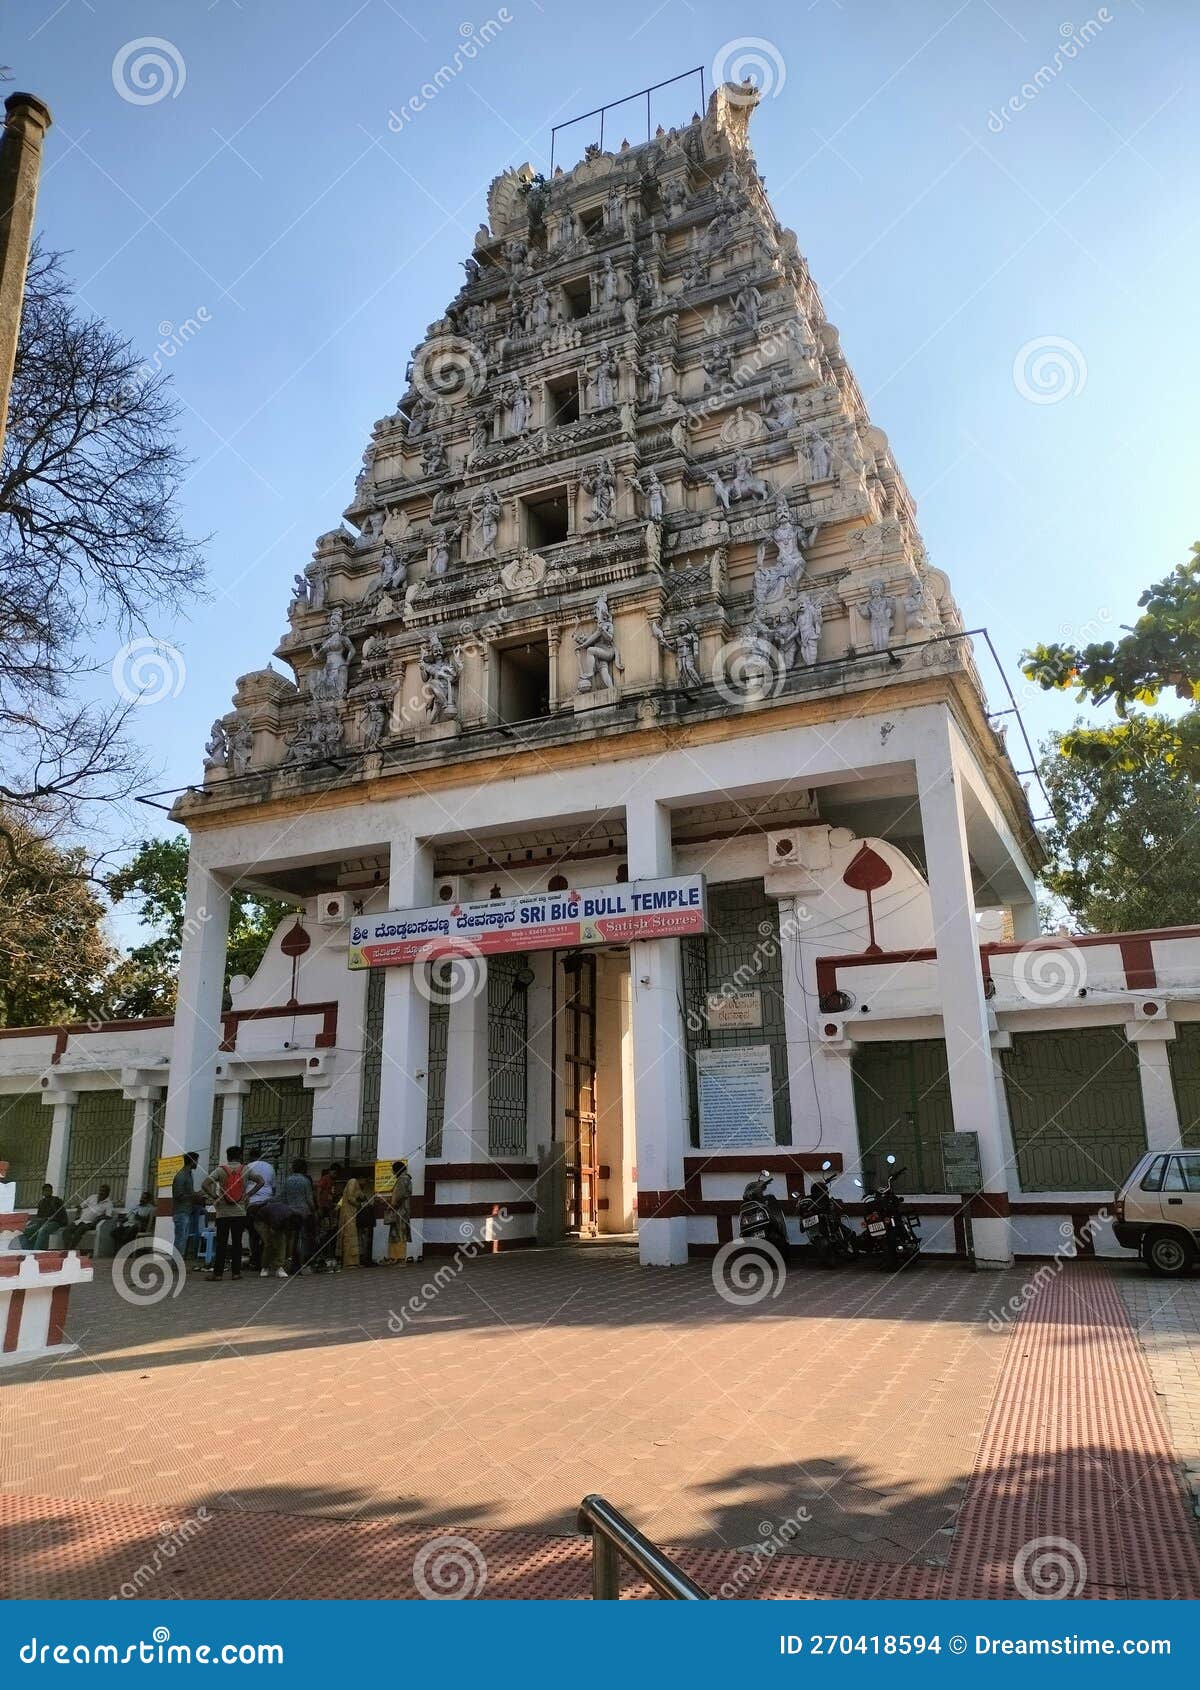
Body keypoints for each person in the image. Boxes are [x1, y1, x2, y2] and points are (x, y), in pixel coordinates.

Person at [201, 1147, 262, 1281]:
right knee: (237, 1243)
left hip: (223, 1213)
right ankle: (236, 1273)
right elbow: (261, 1181)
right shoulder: (245, 1169)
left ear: (228, 1157)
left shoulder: (221, 1170)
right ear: (239, 1156)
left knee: (221, 1243)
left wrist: (214, 1196)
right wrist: (248, 1194)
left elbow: (204, 1184)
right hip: (240, 1212)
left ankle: (217, 1274)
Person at [282, 1157, 316, 1275]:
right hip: (303, 1213)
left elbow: (283, 1197)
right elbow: (309, 1200)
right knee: (302, 1239)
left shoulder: (287, 1180)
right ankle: (301, 1265)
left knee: (290, 1238)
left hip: (290, 1212)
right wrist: (314, 1210)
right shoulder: (305, 1181)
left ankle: (289, 1263)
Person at [244, 1150, 277, 1272]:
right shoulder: (270, 1167)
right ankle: (265, 1261)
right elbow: (274, 1187)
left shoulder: (248, 1167)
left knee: (253, 1235)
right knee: (266, 1234)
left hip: (252, 1203)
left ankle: (255, 1261)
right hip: (267, 1202)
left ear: (251, 1157)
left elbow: (243, 1186)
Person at [171, 1151, 202, 1263]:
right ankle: (176, 1264)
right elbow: (178, 1195)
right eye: (197, 1161)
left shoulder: (188, 1174)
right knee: (180, 1239)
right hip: (181, 1212)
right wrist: (195, 1195)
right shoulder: (181, 1176)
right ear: (192, 1161)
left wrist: (196, 1194)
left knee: (183, 1238)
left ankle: (178, 1263)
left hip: (186, 1211)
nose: (198, 1163)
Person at [62, 1185, 114, 1250]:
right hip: (79, 1220)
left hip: (90, 1223)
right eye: (100, 1190)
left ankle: (69, 1250)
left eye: (103, 1191)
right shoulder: (93, 1197)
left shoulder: (109, 1203)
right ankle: (68, 1249)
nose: (101, 1192)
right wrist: (77, 1216)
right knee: (66, 1231)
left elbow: (108, 1216)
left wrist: (98, 1218)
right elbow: (80, 1206)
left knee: (78, 1232)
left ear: (108, 1193)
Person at [16, 1185, 68, 1250]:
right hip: (43, 1222)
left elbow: (61, 1215)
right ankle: (27, 1250)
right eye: (46, 1191)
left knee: (42, 1230)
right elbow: (39, 1216)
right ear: (43, 1192)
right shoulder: (41, 1202)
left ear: (52, 1191)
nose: (48, 1192)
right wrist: (37, 1220)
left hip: (55, 1222)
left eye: (50, 1190)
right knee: (25, 1230)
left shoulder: (57, 1200)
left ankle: (37, 1251)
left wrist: (50, 1219)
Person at [385, 1160, 412, 1264]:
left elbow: (398, 1196)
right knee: (400, 1233)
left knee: (398, 1234)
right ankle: (397, 1257)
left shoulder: (401, 1180)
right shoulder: (407, 1179)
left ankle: (399, 1258)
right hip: (405, 1209)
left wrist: (391, 1205)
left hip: (400, 1210)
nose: (392, 1172)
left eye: (393, 1170)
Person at [337, 1173, 365, 1268]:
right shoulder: (353, 1181)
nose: (366, 1182)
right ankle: (349, 1262)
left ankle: (354, 1262)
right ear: (361, 1178)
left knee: (352, 1238)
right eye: (366, 1180)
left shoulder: (355, 1184)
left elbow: (360, 1195)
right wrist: (359, 1205)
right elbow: (350, 1198)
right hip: (348, 1214)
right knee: (349, 1238)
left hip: (351, 1214)